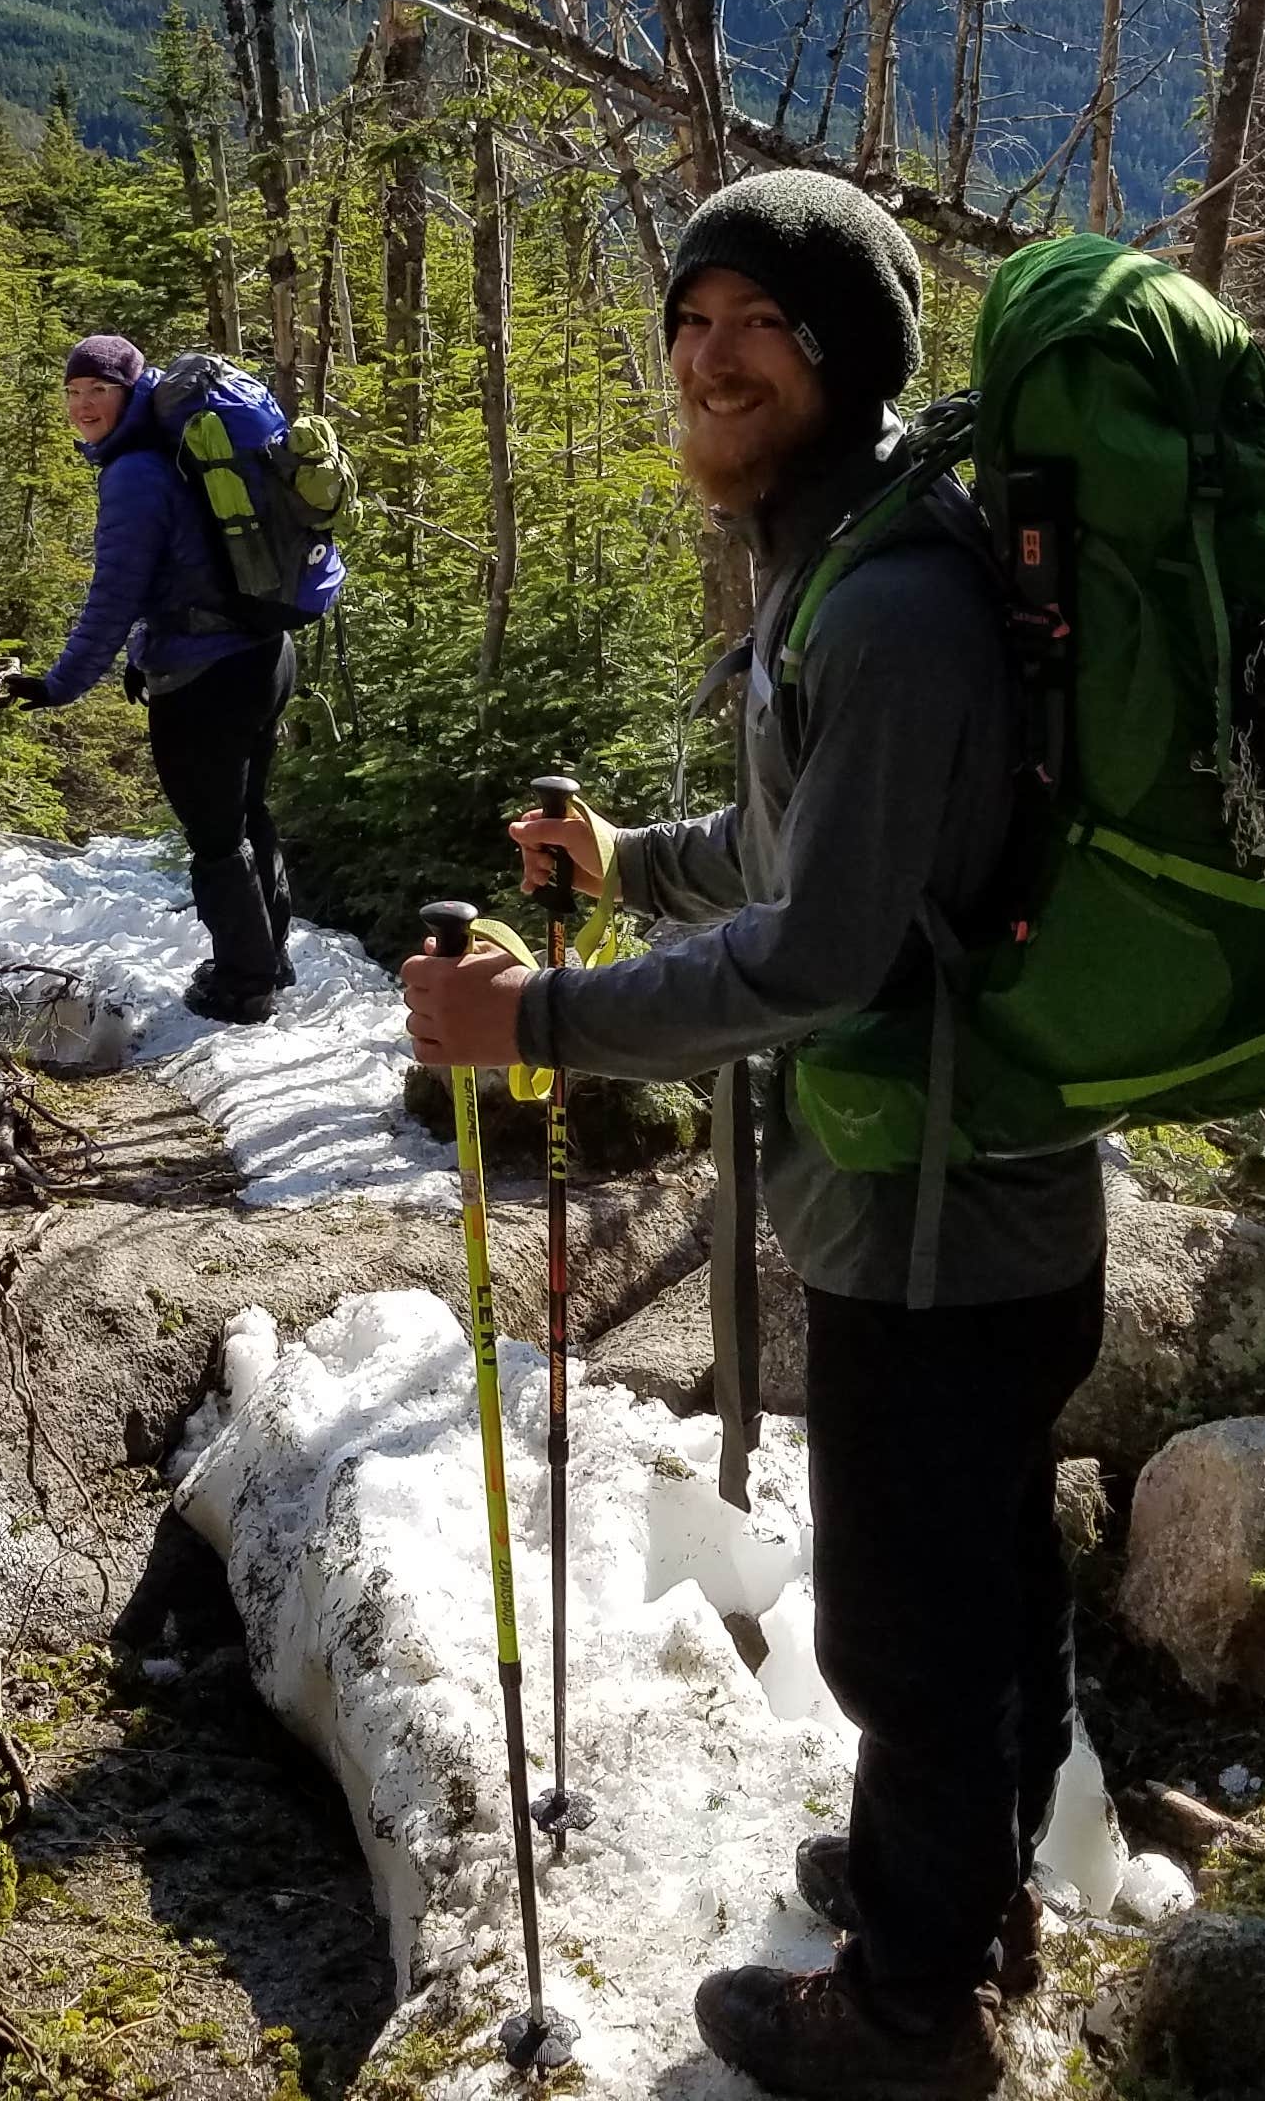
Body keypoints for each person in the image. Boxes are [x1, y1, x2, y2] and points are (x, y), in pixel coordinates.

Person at [397, 169, 1092, 2101]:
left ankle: (905, 2007)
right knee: (987, 1570)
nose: (709, 358)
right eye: (691, 319)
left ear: (842, 354)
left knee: (901, 1621)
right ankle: (961, 1885)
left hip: (937, 1211)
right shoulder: (851, 553)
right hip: (970, 1179)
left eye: (756, 326)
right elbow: (814, 849)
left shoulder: (887, 600)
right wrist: (631, 860)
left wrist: (531, 1015)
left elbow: (820, 952)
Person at [0, 334, 299, 1022]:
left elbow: (115, 594)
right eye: (73, 394)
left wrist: (58, 684)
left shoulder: (135, 473)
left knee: (216, 837)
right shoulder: (178, 447)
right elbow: (189, 565)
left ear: (131, 392)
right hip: (265, 651)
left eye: (98, 392)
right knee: (249, 810)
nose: (83, 406)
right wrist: (142, 654)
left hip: (208, 672)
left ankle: (243, 984)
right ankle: (269, 954)